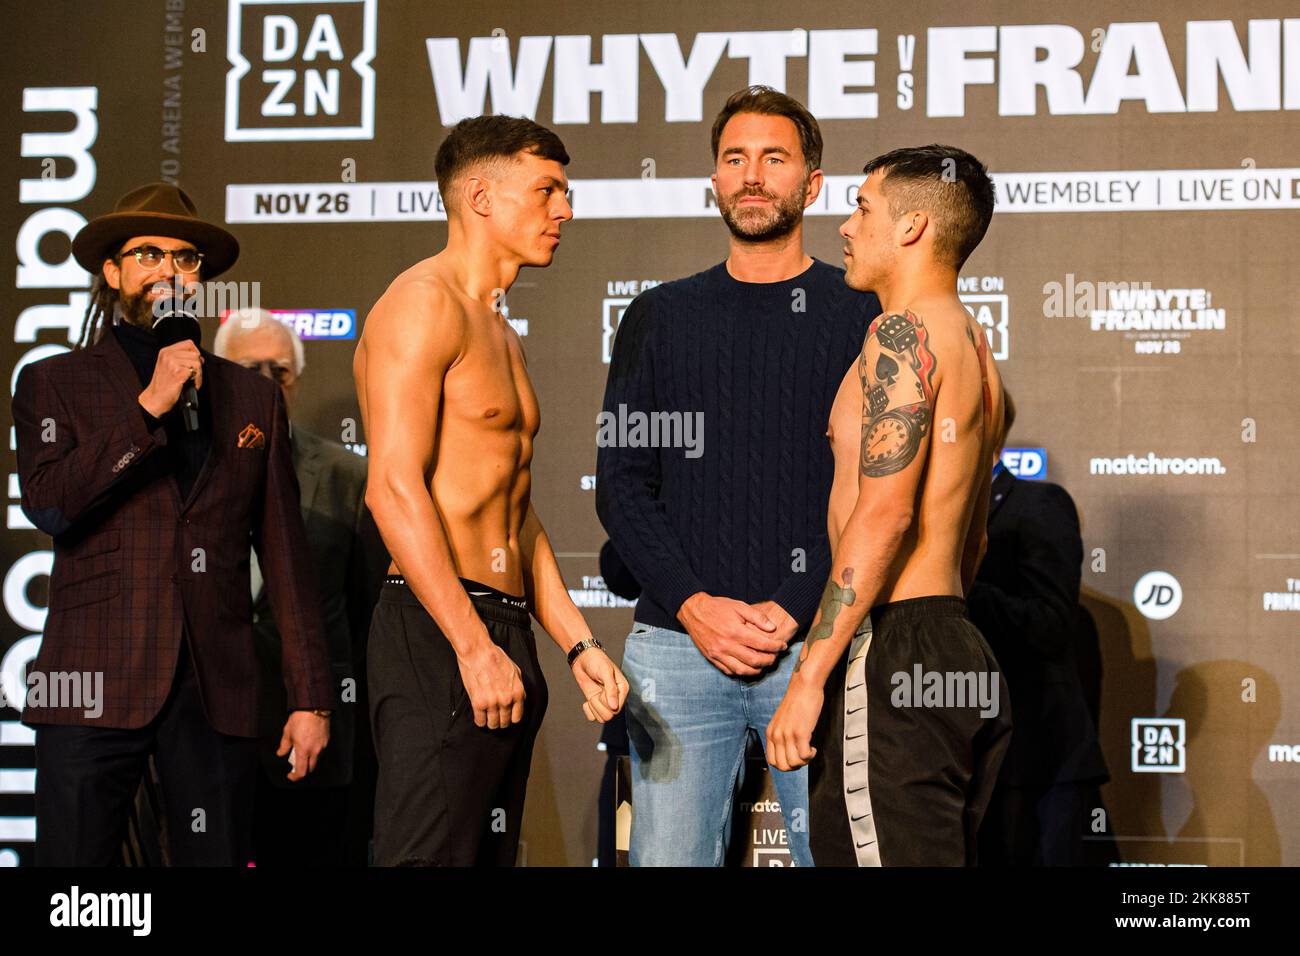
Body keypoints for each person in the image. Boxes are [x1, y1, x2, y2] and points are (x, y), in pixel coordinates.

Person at [597, 86, 879, 867]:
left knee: (840, 856)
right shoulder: (658, 316)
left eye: (774, 158)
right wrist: (695, 607)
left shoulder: (865, 313)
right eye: (735, 159)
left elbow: (880, 496)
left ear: (812, 184)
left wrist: (794, 610)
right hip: (677, 646)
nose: (753, 176)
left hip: (821, 641)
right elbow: (621, 483)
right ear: (715, 181)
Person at [13, 182, 334, 866]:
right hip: (90, 683)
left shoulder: (250, 395)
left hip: (215, 689)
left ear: (202, 278)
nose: (168, 269)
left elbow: (284, 554)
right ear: (112, 271)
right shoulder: (53, 382)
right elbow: (48, 503)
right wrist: (148, 407)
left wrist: (311, 699)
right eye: (148, 253)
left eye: (184, 257)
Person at [354, 115, 628, 867]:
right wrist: (470, 647)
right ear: (479, 196)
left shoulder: (501, 331)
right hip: (439, 629)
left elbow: (517, 516)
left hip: (501, 629)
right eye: (546, 191)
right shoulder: (421, 304)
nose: (564, 210)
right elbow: (391, 489)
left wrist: (577, 643)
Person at [766, 145, 1012, 867]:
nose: (844, 225)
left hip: (893, 646)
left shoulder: (898, 337)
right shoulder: (976, 347)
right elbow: (975, 541)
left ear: (911, 227)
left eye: (862, 208)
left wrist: (810, 677)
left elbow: (887, 514)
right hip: (956, 643)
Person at [216, 309, 389, 866]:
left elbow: (369, 618)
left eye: (279, 371)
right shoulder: (185, 469)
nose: (267, 383)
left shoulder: (347, 476)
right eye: (249, 369)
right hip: (211, 729)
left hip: (315, 734)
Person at [967, 389, 1108, 866]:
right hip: (954, 761)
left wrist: (955, 580)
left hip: (1034, 766)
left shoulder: (1039, 505)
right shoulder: (921, 519)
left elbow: (1049, 624)